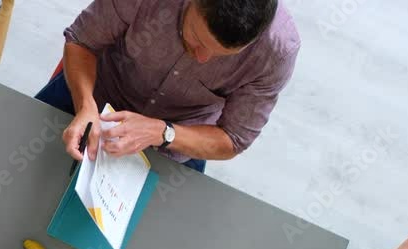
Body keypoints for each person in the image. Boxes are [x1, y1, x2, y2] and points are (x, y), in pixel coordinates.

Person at [36, 0, 299, 173]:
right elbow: (83, 40)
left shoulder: (276, 52)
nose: (202, 58)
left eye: (222, 56)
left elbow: (234, 138)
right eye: (197, 39)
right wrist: (86, 104)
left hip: (178, 142)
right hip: (92, 96)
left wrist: (164, 133)